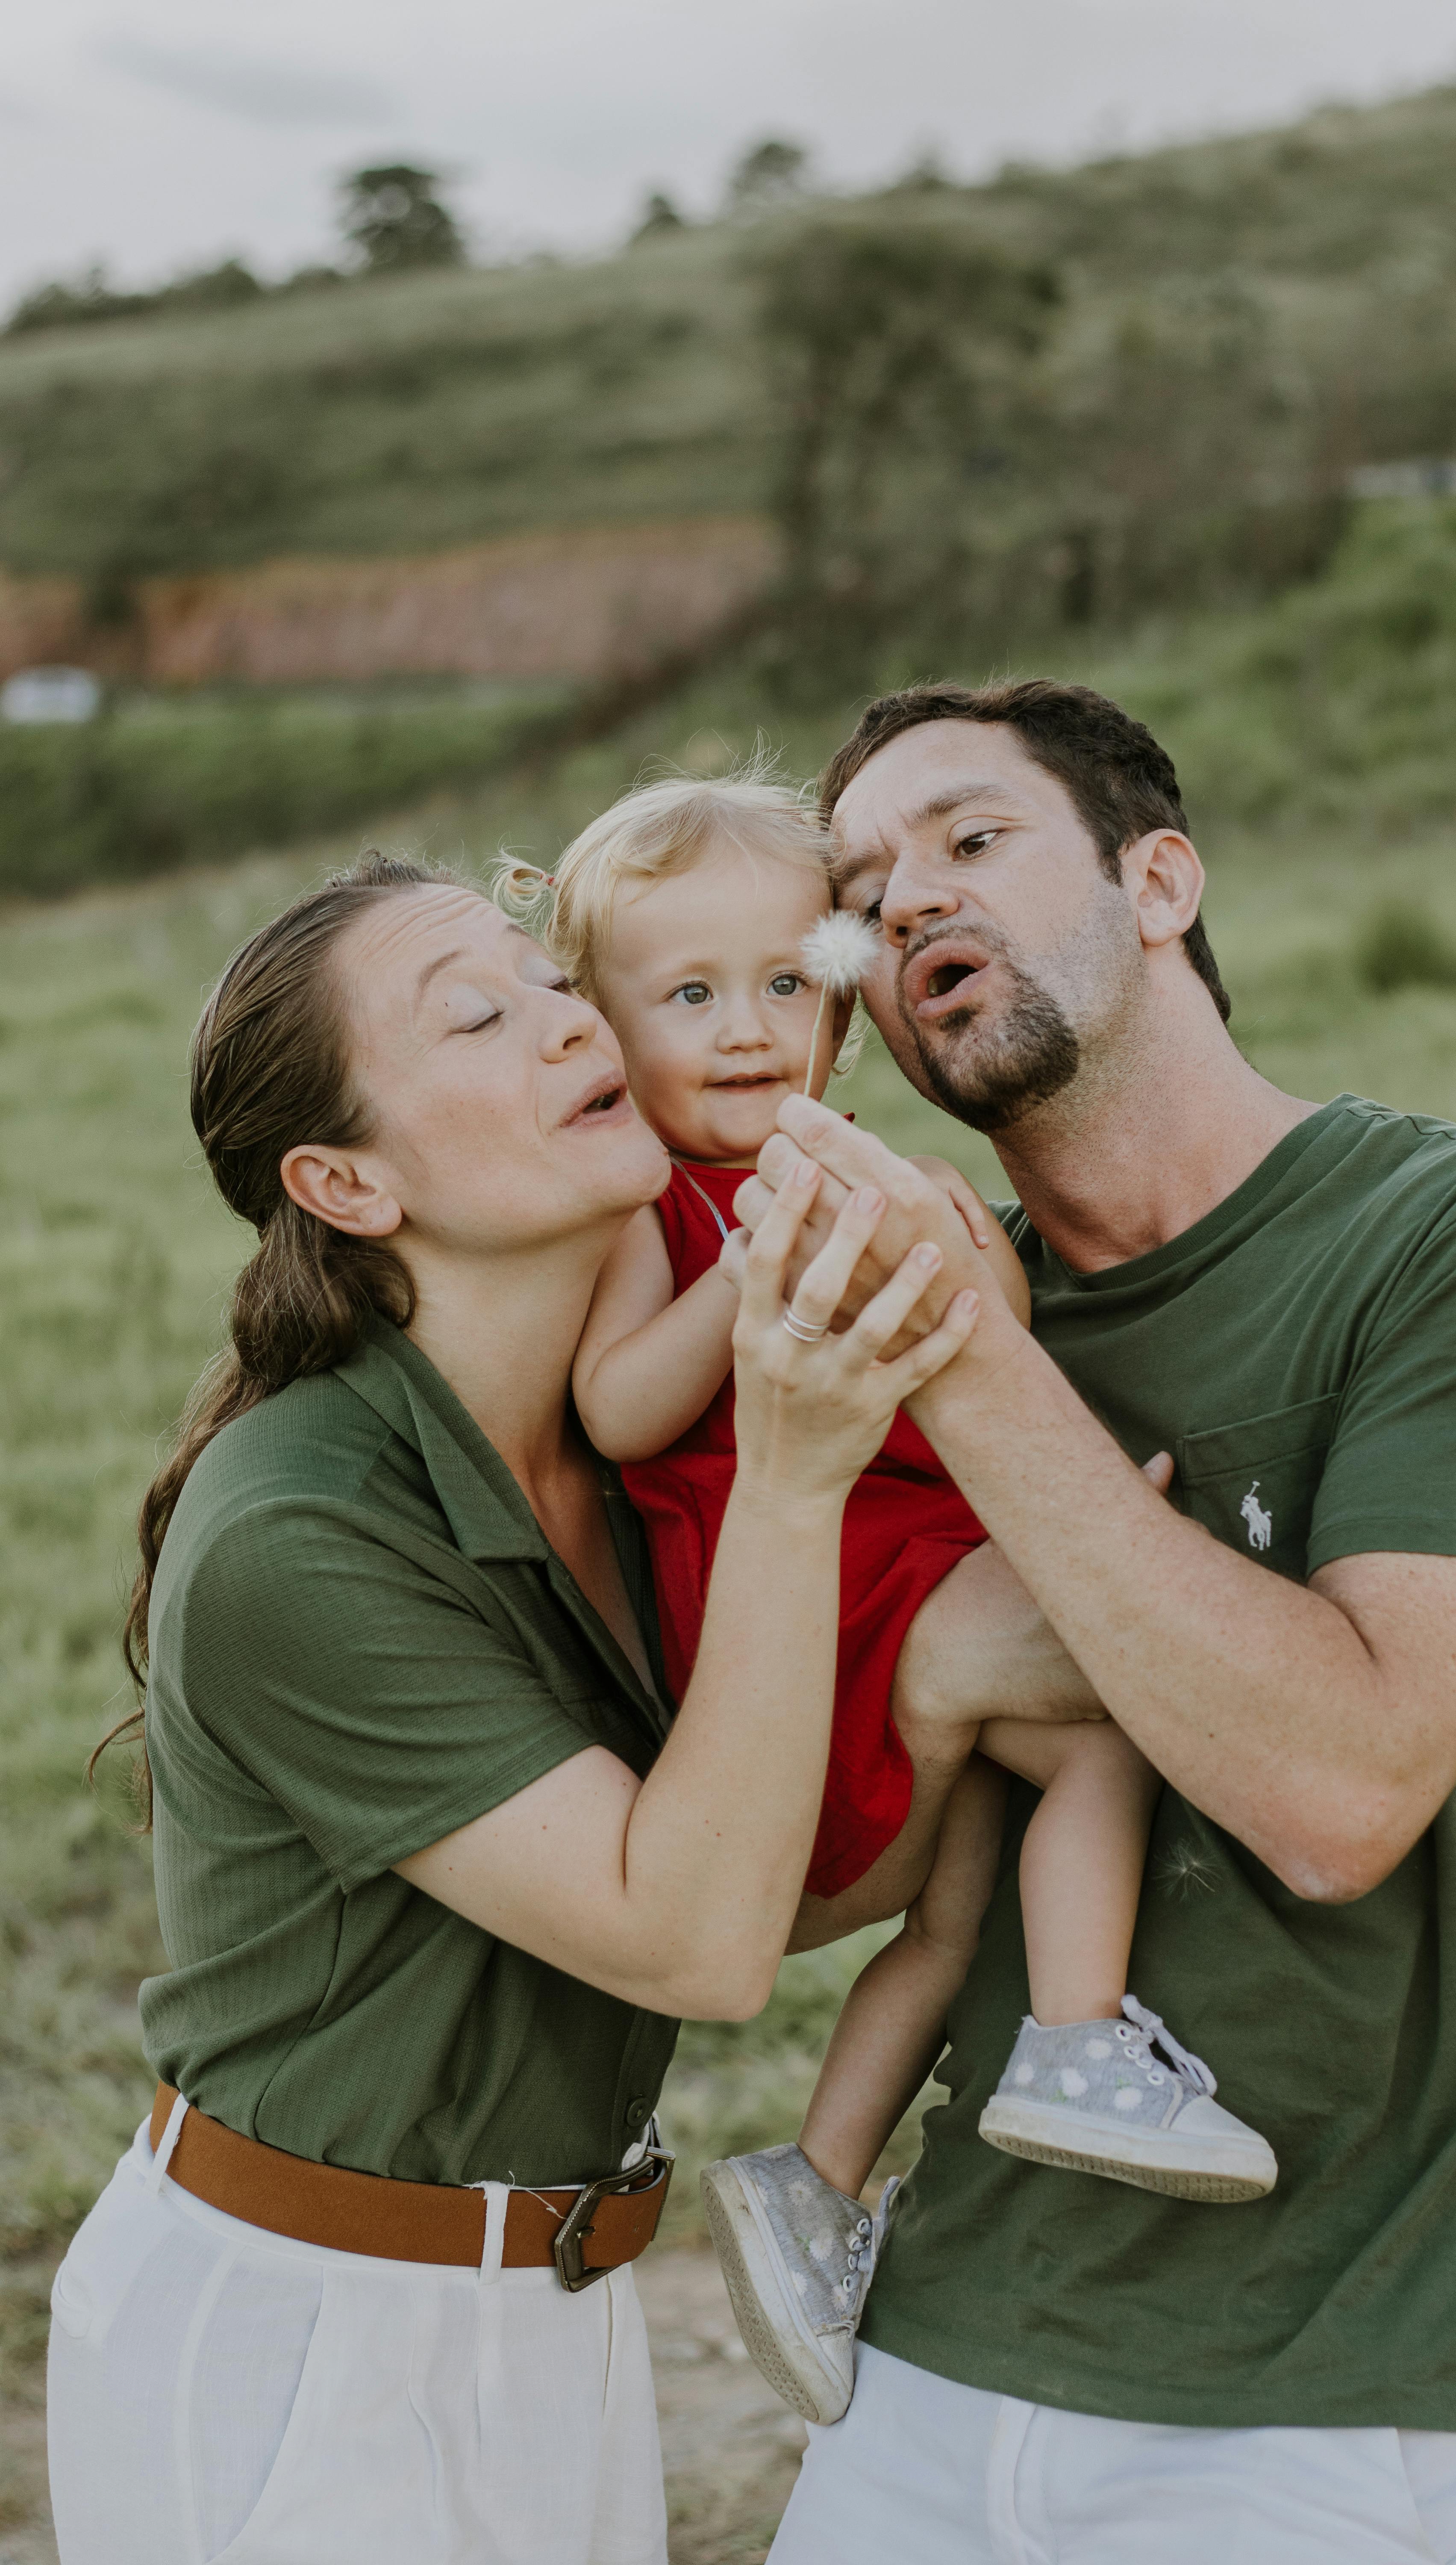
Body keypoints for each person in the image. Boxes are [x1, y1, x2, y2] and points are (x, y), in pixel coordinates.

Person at [732, 679, 1456, 2565]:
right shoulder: (869, 1332)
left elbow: (1336, 1796)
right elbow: (791, 1898)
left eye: (971, 841)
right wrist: (920, 1673)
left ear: (1159, 881)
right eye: (862, 886)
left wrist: (970, 1367)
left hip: (1337, 2398)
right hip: (931, 2354)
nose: (910, 897)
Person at [45, 852, 979, 2565]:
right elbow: (697, 1943)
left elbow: (761, 1868)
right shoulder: (296, 1535)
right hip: (307, 2343)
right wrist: (796, 1477)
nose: (564, 1024)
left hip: (557, 2311)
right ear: (344, 1180)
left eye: (549, 984)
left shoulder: (633, 1446)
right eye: (477, 1016)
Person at [508, 776, 1273, 2419]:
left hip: (912, 1558)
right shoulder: (655, 1209)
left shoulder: (860, 1163)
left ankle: (817, 2180)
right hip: (823, 1607)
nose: (746, 1030)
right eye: (691, 995)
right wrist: (744, 1271)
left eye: (789, 985)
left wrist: (958, 1259)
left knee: (961, 1910)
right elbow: (622, 1410)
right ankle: (1077, 2041)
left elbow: (987, 1326)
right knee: (1105, 1723)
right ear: (600, 1027)